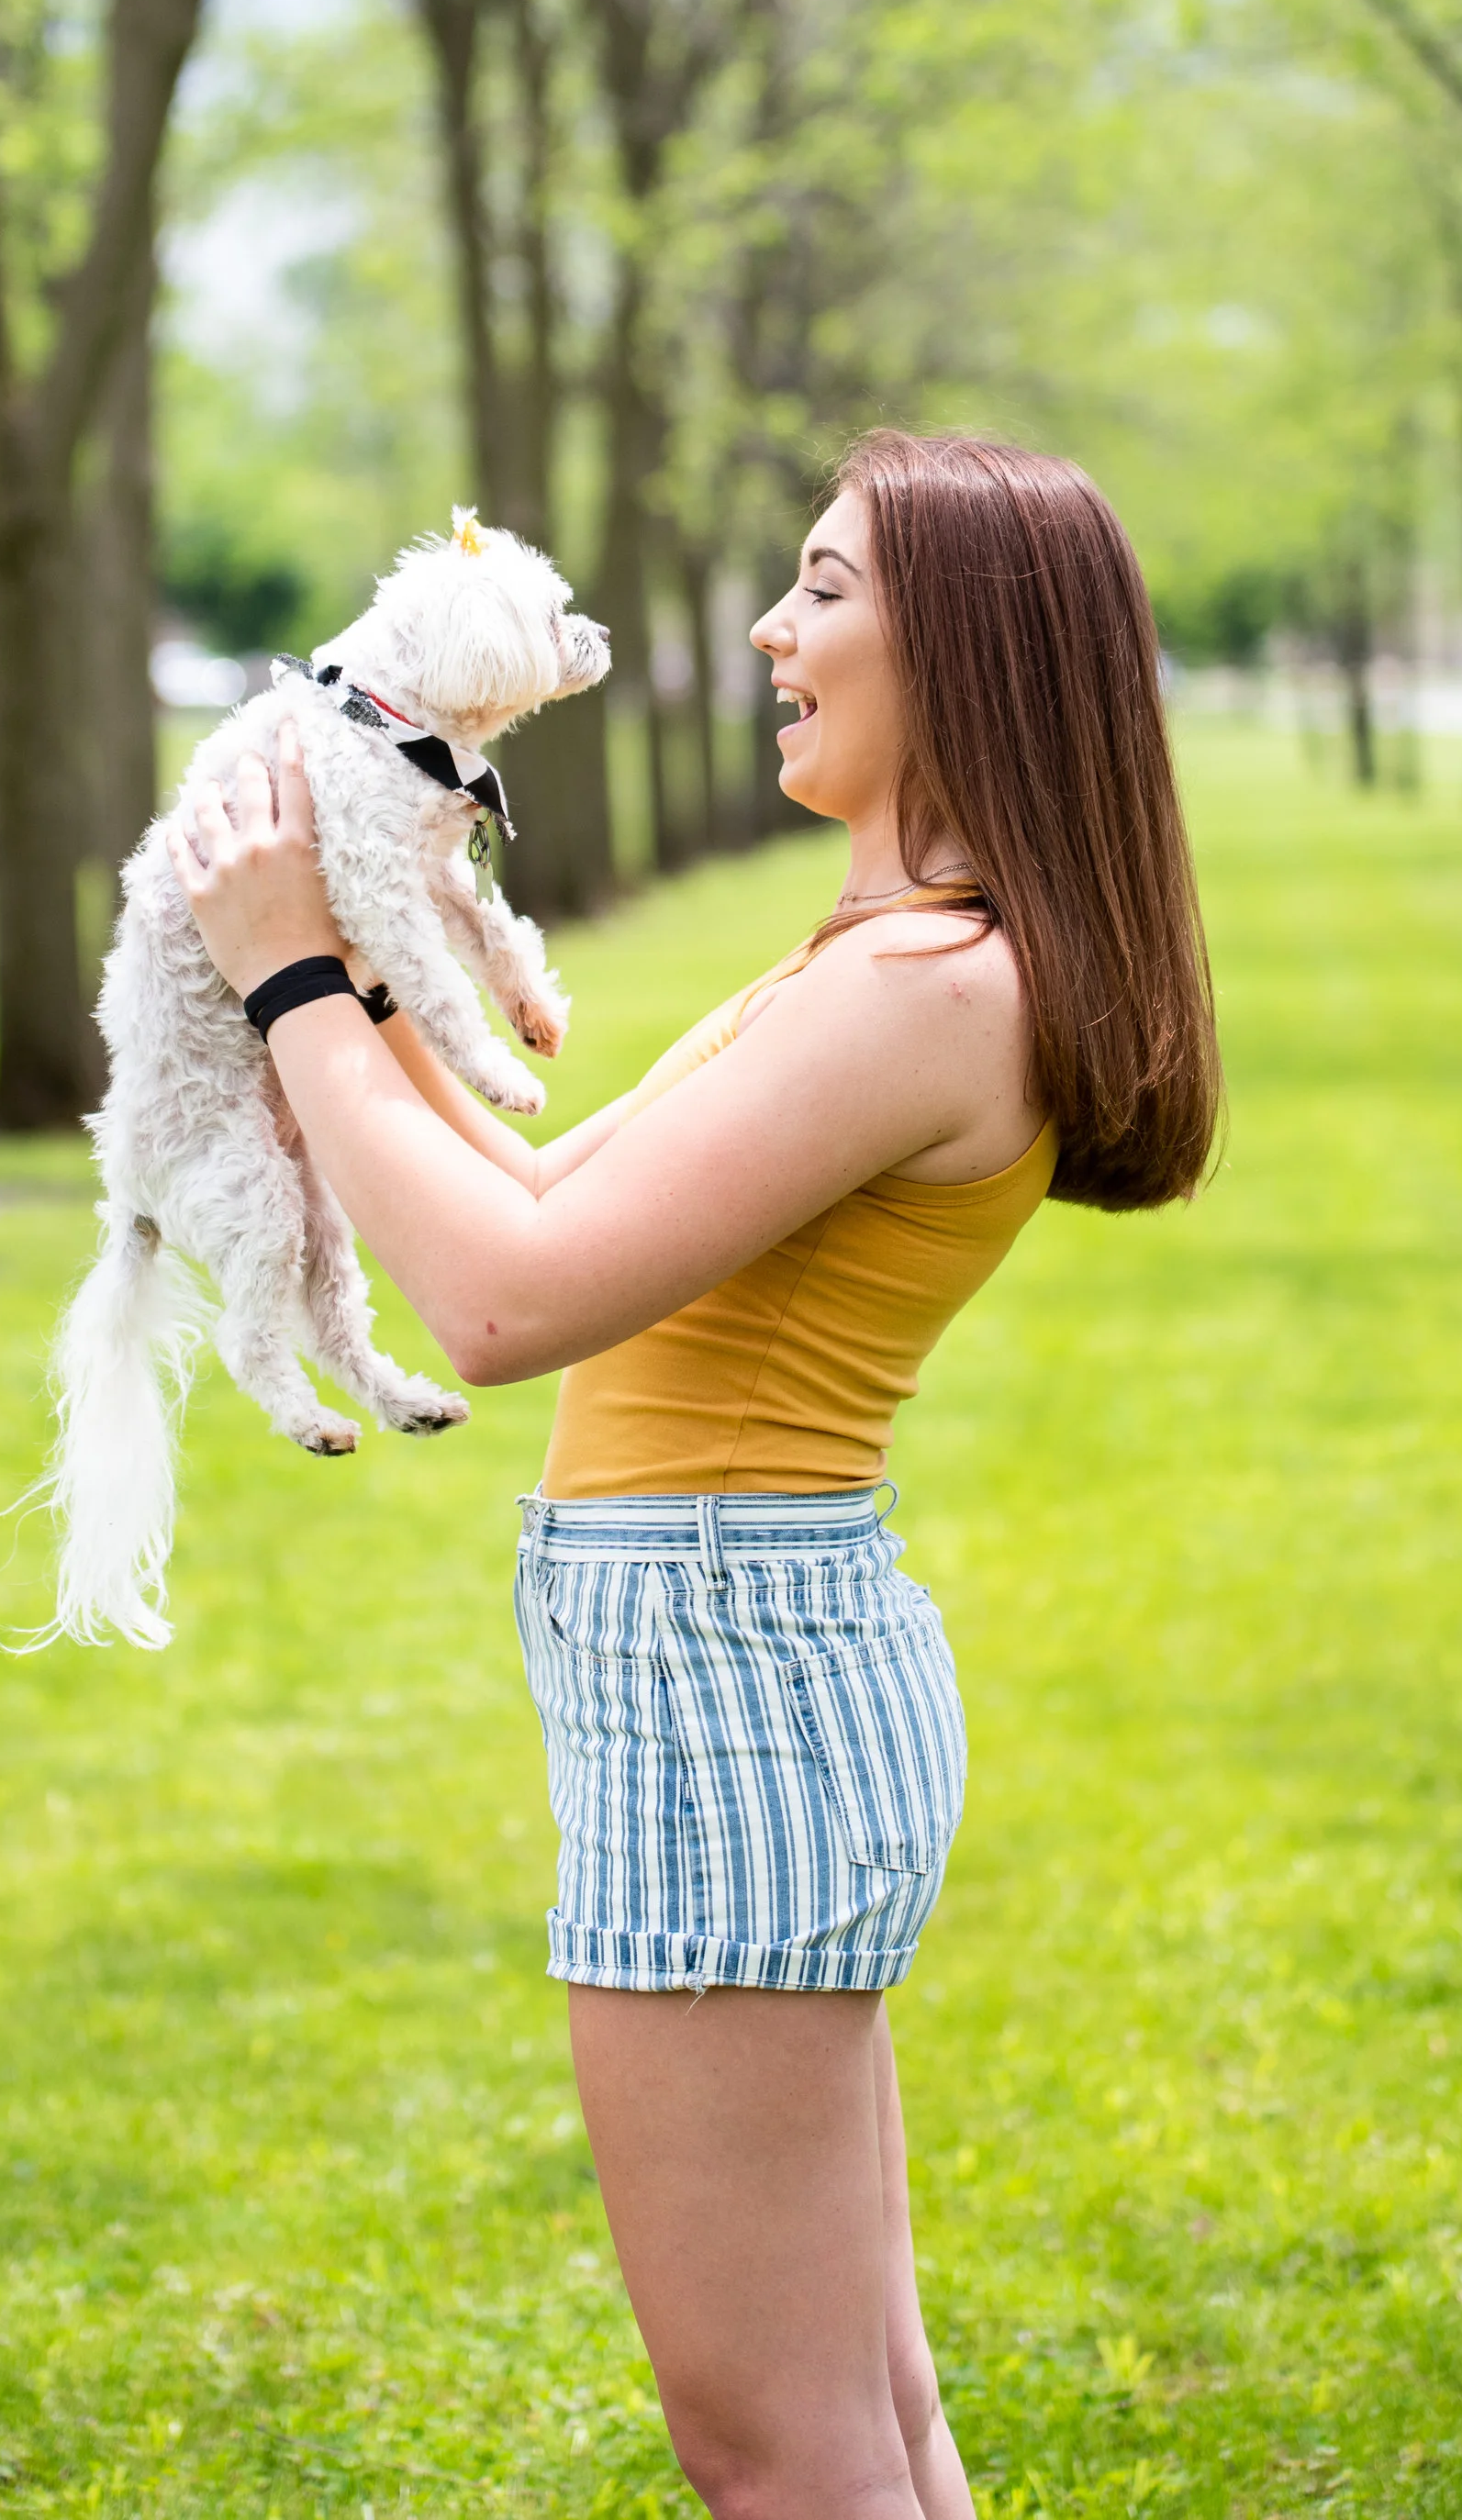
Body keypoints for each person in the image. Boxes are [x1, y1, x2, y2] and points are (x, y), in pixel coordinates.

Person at [170, 429, 1221, 2520]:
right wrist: (348, 967)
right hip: (742, 1646)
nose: (769, 626)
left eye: (824, 589)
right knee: (863, 2420)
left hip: (726, 1665)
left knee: (779, 2445)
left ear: (978, 656)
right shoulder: (885, 957)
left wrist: (289, 976)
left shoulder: (923, 989)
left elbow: (499, 1297)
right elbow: (555, 1182)